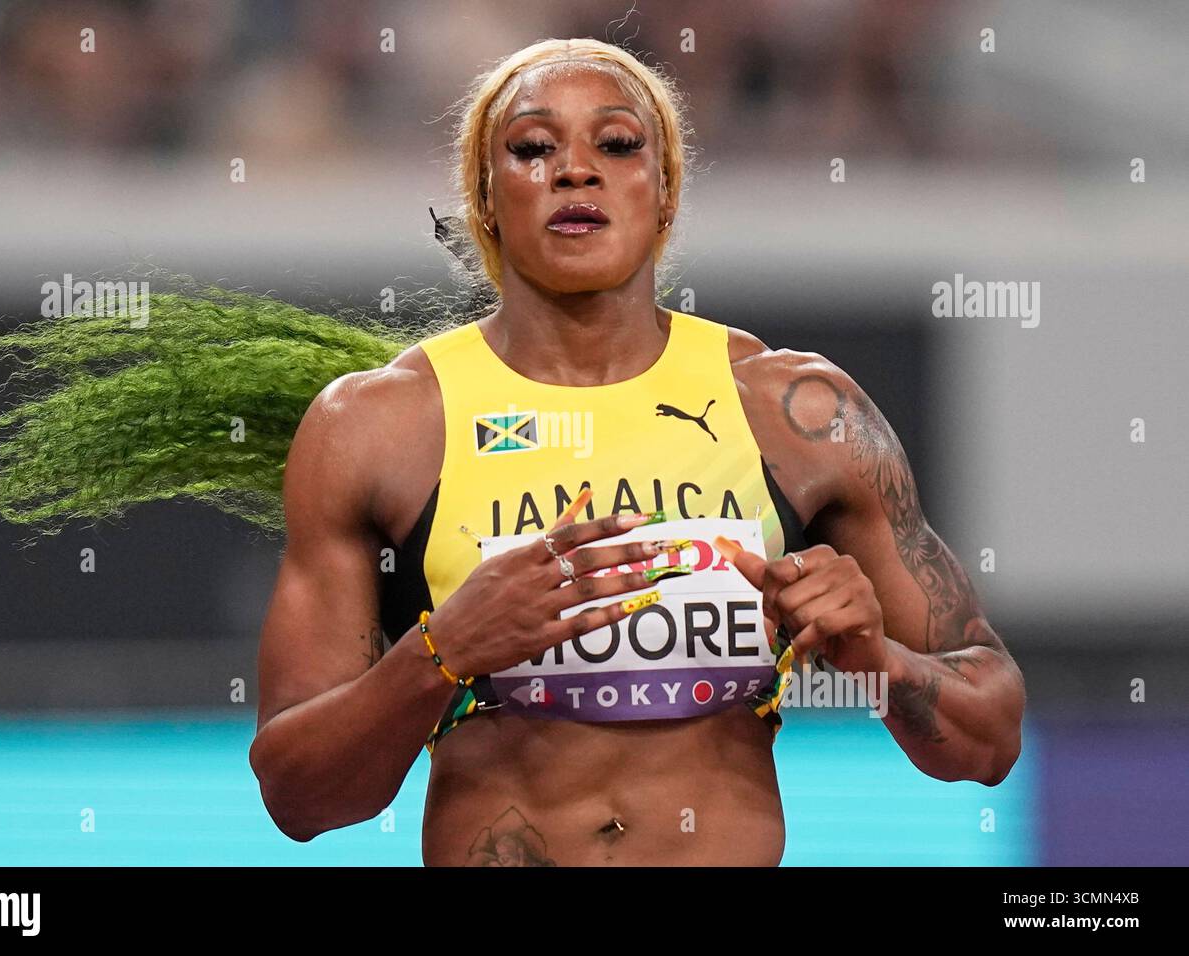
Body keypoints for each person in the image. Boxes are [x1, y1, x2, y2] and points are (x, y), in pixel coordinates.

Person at [245, 38, 1026, 866]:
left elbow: (990, 741)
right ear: (485, 198)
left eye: (617, 145)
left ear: (665, 194)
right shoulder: (379, 427)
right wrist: (444, 653)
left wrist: (877, 663)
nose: (575, 171)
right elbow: (299, 799)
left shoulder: (800, 414)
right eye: (533, 148)